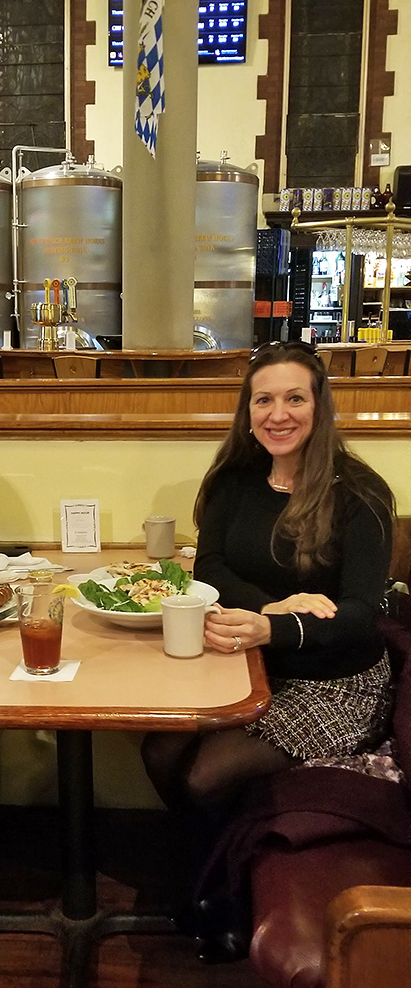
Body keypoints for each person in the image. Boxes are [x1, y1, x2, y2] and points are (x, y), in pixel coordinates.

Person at [142, 340, 395, 846]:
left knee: (204, 775)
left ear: (319, 407)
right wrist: (266, 608)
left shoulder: (361, 493)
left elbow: (363, 614)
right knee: (157, 751)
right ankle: (204, 860)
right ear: (248, 410)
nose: (279, 415)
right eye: (264, 400)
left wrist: (275, 628)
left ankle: (219, 885)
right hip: (249, 664)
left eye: (295, 399)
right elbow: (210, 563)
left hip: (335, 683)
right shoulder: (233, 480)